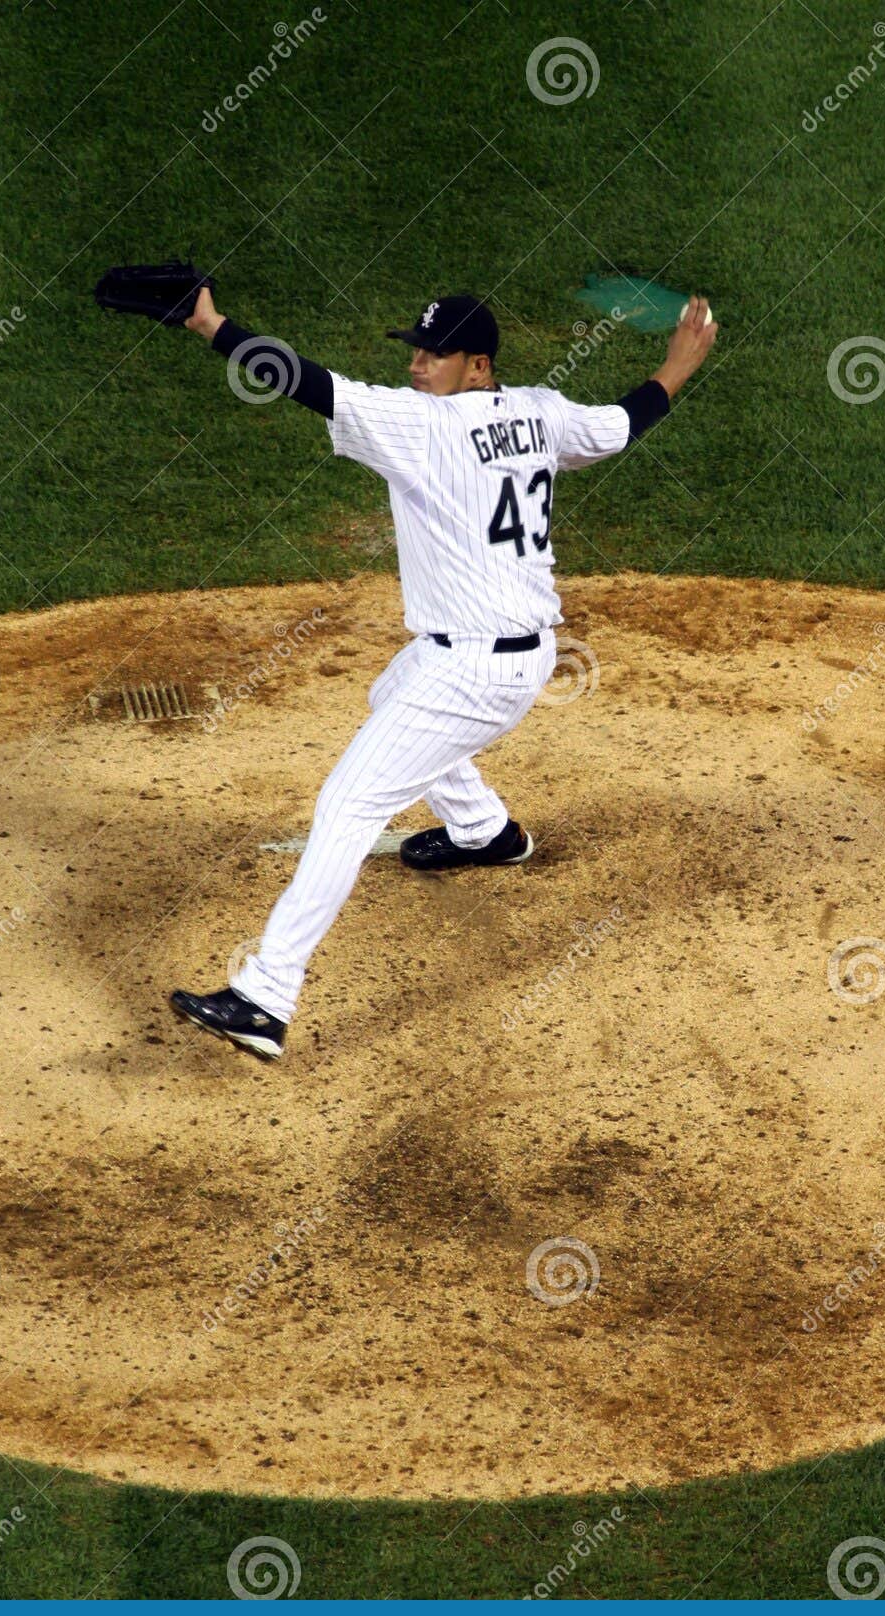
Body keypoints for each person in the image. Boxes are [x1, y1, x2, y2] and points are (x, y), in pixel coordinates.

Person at [170, 290, 717, 1058]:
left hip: (475, 671)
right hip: (511, 657)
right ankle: (484, 832)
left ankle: (265, 996)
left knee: (347, 807)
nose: (414, 365)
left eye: (431, 355)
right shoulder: (540, 409)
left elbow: (305, 382)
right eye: (416, 350)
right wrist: (675, 366)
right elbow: (619, 426)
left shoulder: (421, 424)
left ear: (475, 365)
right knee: (390, 690)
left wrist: (209, 325)